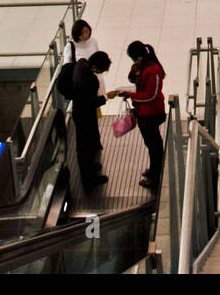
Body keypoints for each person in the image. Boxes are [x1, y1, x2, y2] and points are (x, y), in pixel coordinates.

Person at [108, 41, 166, 188]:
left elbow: (151, 95)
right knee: (152, 143)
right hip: (144, 112)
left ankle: (155, 174)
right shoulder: (144, 66)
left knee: (154, 145)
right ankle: (155, 169)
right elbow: (140, 85)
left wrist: (132, 95)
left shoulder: (152, 70)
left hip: (151, 113)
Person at [71, 50, 112, 191]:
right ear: (95, 67)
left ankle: (91, 169)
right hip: (85, 117)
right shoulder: (91, 81)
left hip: (78, 112)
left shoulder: (81, 63)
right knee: (85, 149)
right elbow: (91, 102)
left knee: (84, 147)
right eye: (101, 71)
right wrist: (107, 97)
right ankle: (89, 180)